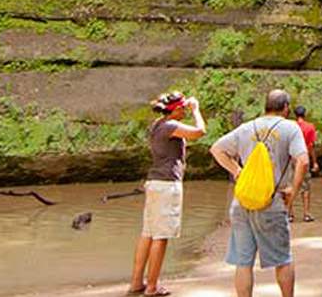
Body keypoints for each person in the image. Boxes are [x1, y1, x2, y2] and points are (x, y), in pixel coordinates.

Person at [210, 90, 310, 297]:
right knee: (282, 259)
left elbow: (217, 149)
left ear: (265, 106)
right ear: (286, 108)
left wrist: (237, 171)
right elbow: (303, 160)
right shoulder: (290, 128)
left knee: (243, 262)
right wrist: (293, 190)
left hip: (243, 201)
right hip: (272, 202)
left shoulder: (246, 127)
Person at [127, 90, 205, 297]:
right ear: (176, 109)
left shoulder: (157, 125)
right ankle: (152, 286)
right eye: (182, 109)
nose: (185, 112)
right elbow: (199, 132)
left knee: (148, 233)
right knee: (161, 236)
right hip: (166, 185)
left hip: (154, 183)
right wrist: (196, 110)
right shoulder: (171, 126)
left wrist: (184, 104)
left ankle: (136, 282)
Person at [294, 105, 319, 222]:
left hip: (292, 159)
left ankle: (289, 214)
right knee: (306, 188)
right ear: (305, 114)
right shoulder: (310, 127)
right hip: (303, 159)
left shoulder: (291, 126)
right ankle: (306, 214)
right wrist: (314, 162)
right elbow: (310, 146)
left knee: (291, 185)